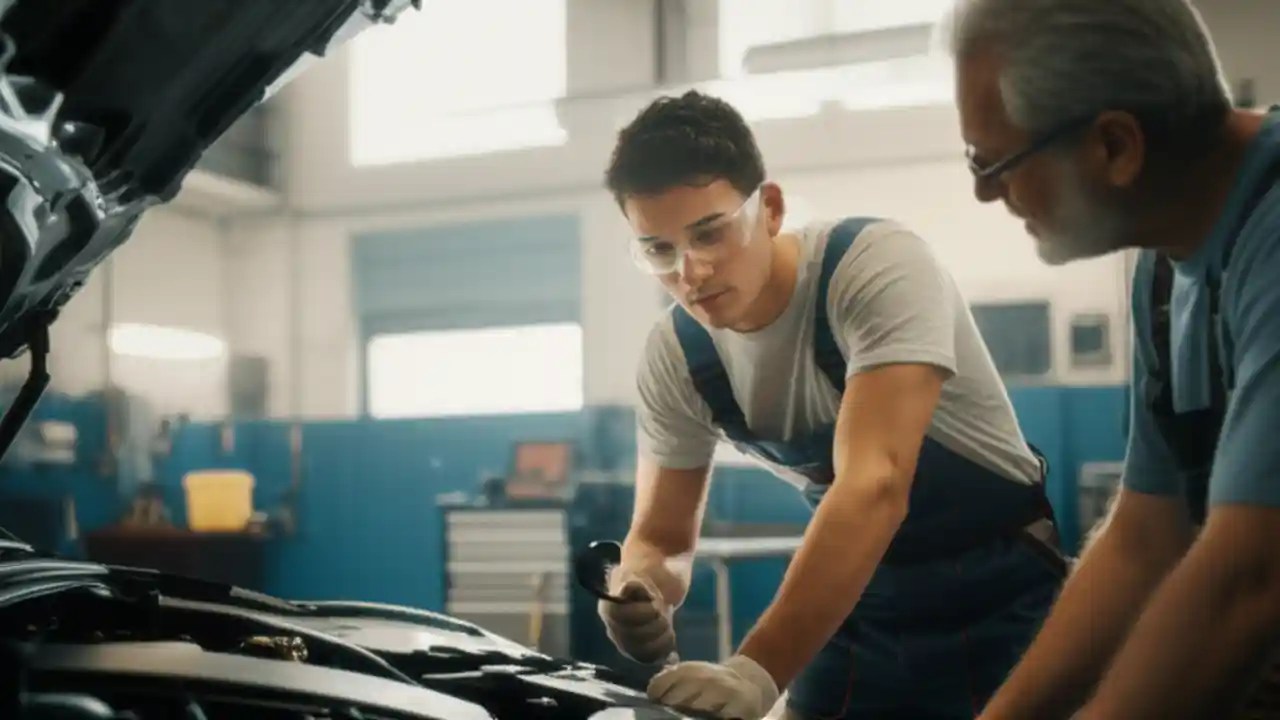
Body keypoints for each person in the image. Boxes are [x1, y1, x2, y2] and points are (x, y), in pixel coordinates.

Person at [595, 89, 1067, 720]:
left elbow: (874, 484)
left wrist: (756, 670)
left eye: (711, 232)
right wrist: (642, 588)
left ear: (769, 208)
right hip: (854, 601)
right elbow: (660, 535)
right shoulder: (676, 354)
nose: (692, 271)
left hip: (1003, 597)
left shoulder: (873, 266)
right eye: (659, 250)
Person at [946, 0, 1280, 718]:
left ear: (1115, 146)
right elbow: (1142, 539)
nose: (984, 194)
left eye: (992, 162)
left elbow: (1252, 575)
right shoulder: (1165, 270)